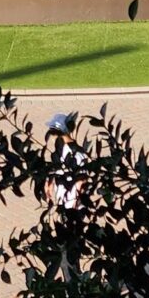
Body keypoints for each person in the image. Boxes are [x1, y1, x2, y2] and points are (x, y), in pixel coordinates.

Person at [46, 112, 86, 280]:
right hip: (64, 204)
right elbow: (56, 168)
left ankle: (74, 281)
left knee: (69, 248)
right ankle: (74, 278)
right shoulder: (61, 149)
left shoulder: (77, 153)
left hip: (73, 208)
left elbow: (82, 180)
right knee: (66, 247)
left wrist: (74, 203)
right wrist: (49, 182)